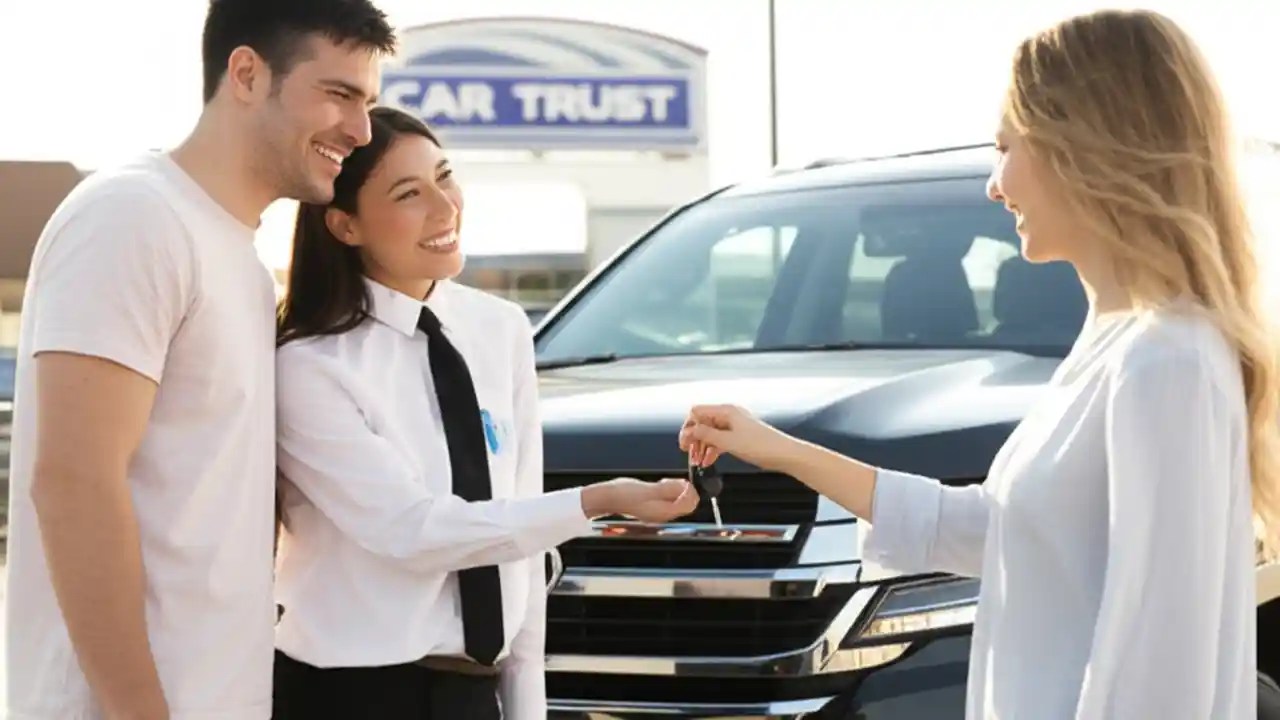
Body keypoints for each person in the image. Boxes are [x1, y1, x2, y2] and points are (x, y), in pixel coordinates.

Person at [679, 9, 1275, 720]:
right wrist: (780, 451)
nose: (995, 184)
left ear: (1085, 146)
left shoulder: (1167, 363)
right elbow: (997, 531)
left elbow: (1164, 669)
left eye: (1007, 146)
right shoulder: (1119, 346)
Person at [2, 1, 396, 718]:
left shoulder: (240, 264)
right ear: (246, 73)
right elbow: (72, 483)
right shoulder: (134, 217)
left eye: (367, 103)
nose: (360, 130)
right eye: (339, 94)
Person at [270, 105, 699, 719]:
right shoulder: (311, 364)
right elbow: (412, 532)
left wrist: (525, 708)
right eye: (409, 193)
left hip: (472, 694)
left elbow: (518, 545)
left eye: (445, 177)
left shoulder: (498, 329)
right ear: (344, 226)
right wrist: (594, 501)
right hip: (349, 694)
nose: (445, 210)